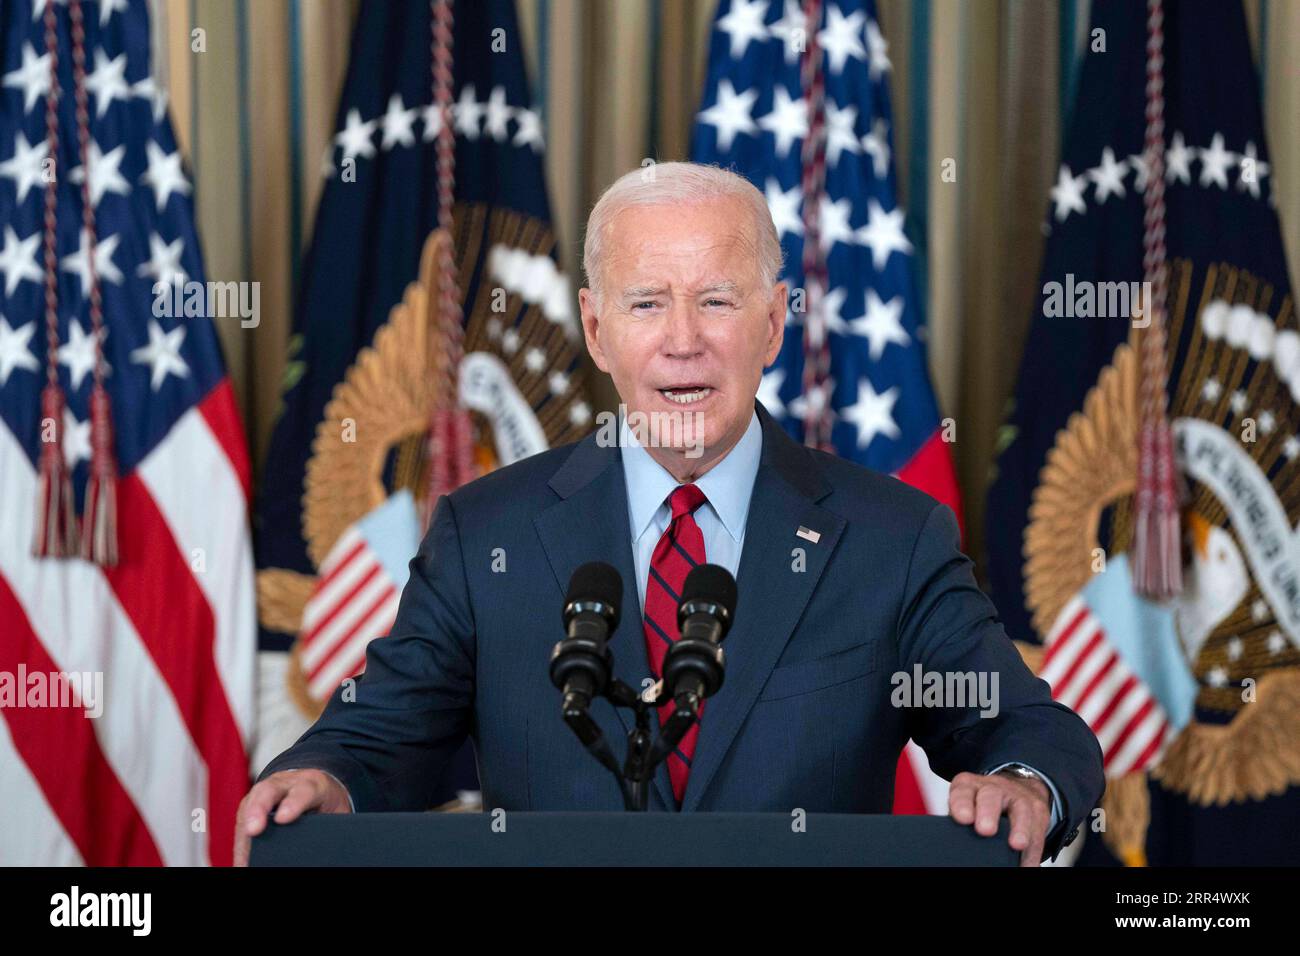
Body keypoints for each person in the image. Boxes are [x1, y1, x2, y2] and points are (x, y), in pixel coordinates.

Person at [236, 162, 1104, 867]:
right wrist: (322, 779)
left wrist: (1023, 781)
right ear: (597, 328)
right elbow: (379, 735)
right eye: (647, 302)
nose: (683, 338)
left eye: (717, 300)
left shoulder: (891, 539)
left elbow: (1028, 729)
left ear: (771, 326)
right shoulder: (482, 534)